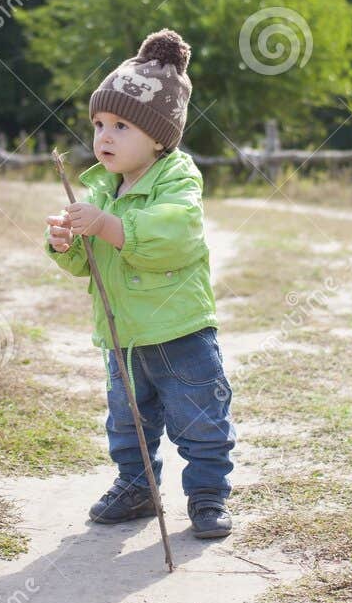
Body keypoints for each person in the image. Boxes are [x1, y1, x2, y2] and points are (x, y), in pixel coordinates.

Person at [43, 28, 236, 540]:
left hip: (180, 332)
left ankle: (208, 495)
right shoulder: (99, 188)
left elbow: (175, 236)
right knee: (127, 423)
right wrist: (68, 244)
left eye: (121, 125)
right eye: (99, 123)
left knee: (200, 421)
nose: (104, 136)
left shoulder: (177, 180)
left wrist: (107, 226)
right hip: (123, 334)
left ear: (158, 136)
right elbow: (92, 265)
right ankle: (137, 485)